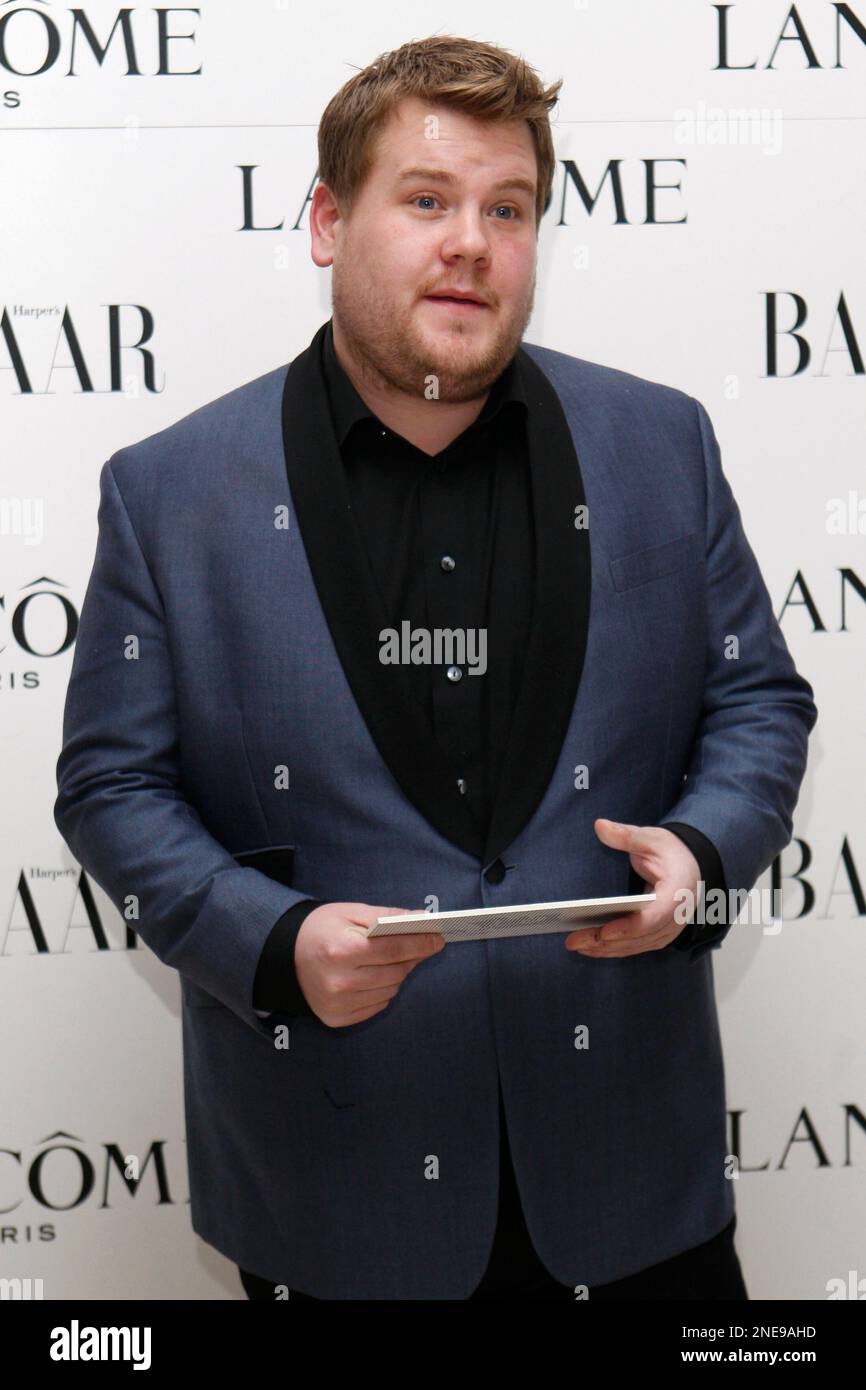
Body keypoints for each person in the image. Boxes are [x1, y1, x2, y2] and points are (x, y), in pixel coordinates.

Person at [54, 35, 817, 1301]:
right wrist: (276, 942)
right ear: (323, 220)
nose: (470, 241)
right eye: (425, 200)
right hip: (333, 1198)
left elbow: (753, 698)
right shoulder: (169, 493)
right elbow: (112, 786)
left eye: (505, 209)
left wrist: (701, 850)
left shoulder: (659, 443)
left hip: (637, 1195)